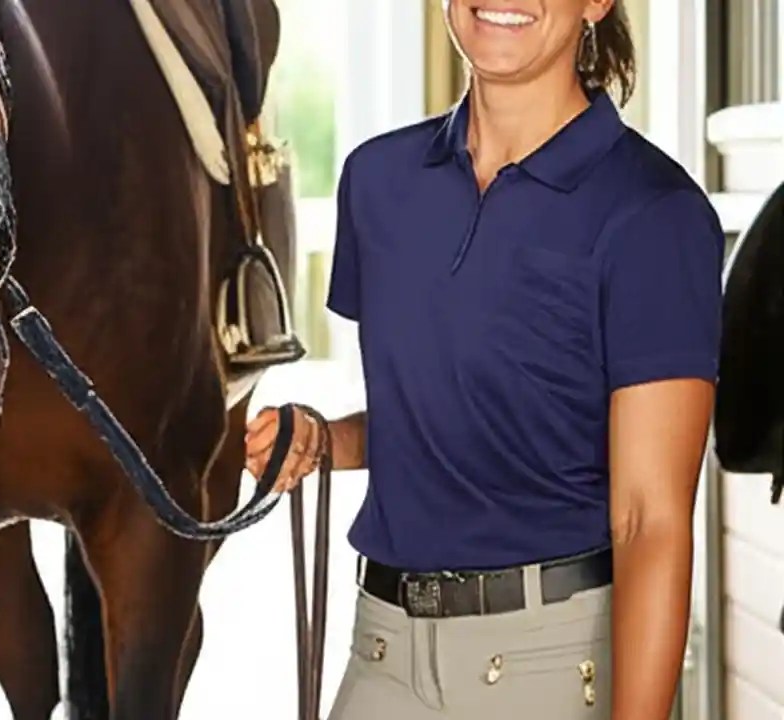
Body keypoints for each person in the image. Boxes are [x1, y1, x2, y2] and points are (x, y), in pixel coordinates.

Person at [245, 1, 724, 718]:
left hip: (552, 662)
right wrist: (329, 440)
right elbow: (461, 412)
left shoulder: (654, 214)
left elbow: (648, 521)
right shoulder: (378, 182)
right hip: (382, 653)